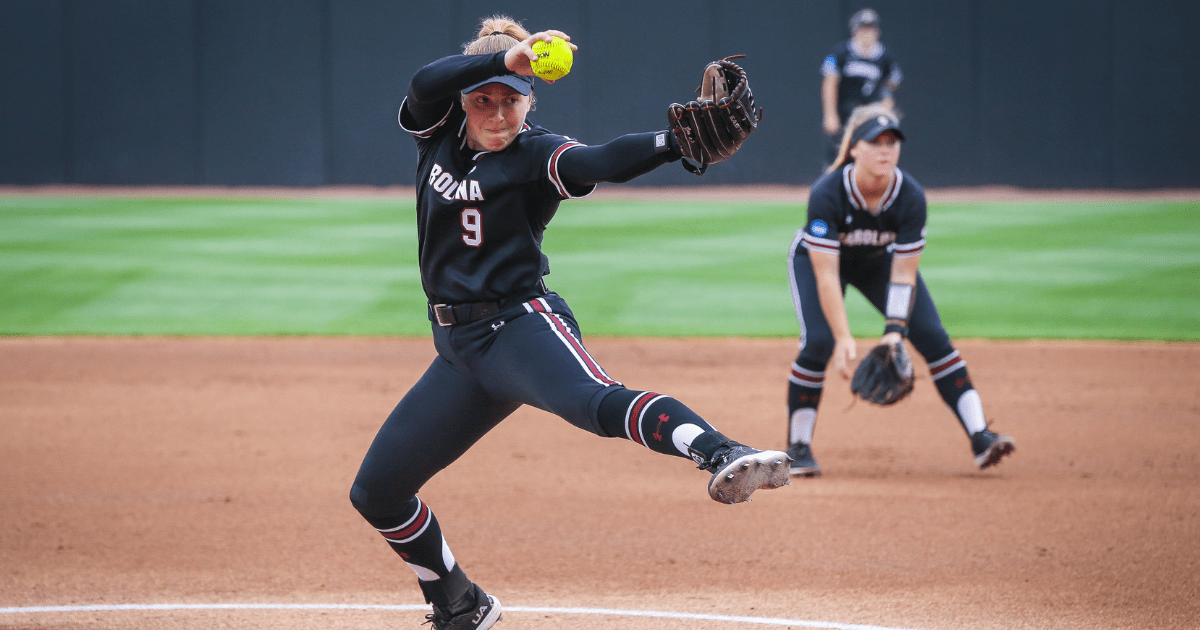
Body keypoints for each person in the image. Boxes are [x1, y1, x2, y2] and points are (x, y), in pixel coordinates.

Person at [349, 15, 789, 630]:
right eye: (485, 100)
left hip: (519, 327)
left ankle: (721, 452)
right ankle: (457, 601)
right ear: (464, 100)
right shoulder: (436, 134)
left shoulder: (535, 153)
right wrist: (507, 61)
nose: (499, 113)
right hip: (458, 351)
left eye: (513, 101)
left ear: (530, 103)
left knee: (592, 403)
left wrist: (672, 143)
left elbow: (601, 160)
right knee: (376, 493)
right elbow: (426, 80)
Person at [784, 102, 1015, 478]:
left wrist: (894, 333)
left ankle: (980, 436)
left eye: (892, 142)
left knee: (930, 335)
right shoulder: (828, 193)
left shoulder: (909, 196)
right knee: (820, 343)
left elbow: (904, 274)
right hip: (822, 263)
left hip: (879, 262)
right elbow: (826, 275)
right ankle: (798, 446)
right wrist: (844, 337)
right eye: (875, 142)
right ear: (855, 148)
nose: (885, 150)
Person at [820, 8, 902, 167]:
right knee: (837, 154)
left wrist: (887, 98)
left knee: (868, 151)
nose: (867, 34)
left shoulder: (884, 56)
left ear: (877, 32)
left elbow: (892, 82)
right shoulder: (842, 53)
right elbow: (829, 83)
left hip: (868, 114)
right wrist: (830, 114)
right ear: (855, 31)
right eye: (863, 29)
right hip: (844, 113)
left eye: (870, 29)